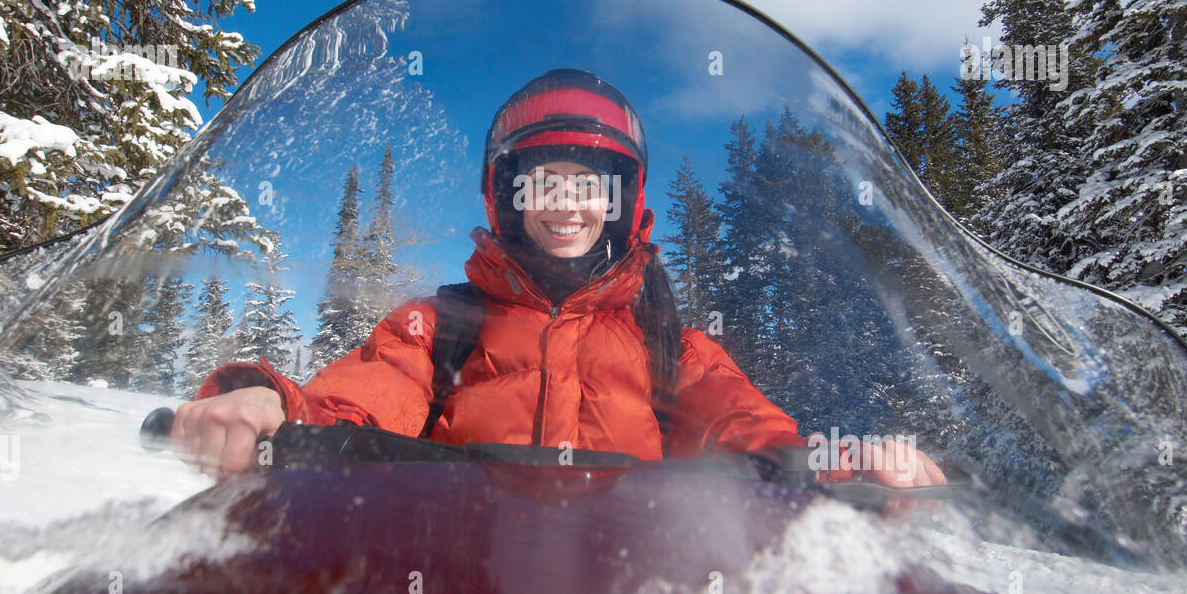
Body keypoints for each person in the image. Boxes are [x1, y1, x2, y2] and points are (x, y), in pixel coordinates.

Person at [174, 69, 946, 487]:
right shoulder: (440, 325)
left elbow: (749, 428)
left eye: (591, 185)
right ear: (508, 196)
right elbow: (365, 397)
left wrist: (844, 464)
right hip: (450, 585)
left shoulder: (668, 341)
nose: (567, 205)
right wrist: (270, 403)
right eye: (544, 183)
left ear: (622, 201)